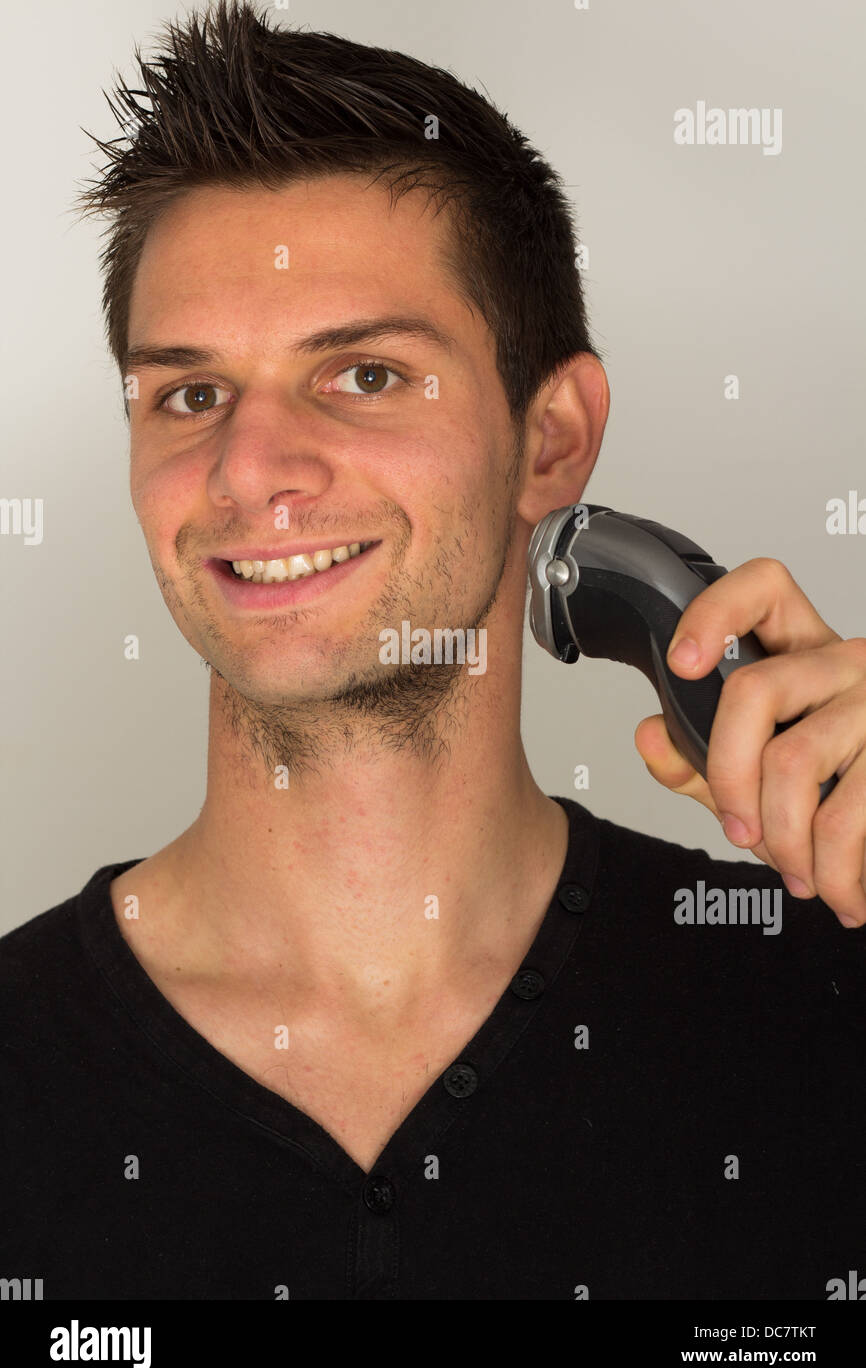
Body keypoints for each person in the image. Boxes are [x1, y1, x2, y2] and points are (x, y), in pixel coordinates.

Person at [2, 0, 864, 1301]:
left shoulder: (818, 1007)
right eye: (190, 393)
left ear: (553, 437)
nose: (252, 471)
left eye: (361, 375)